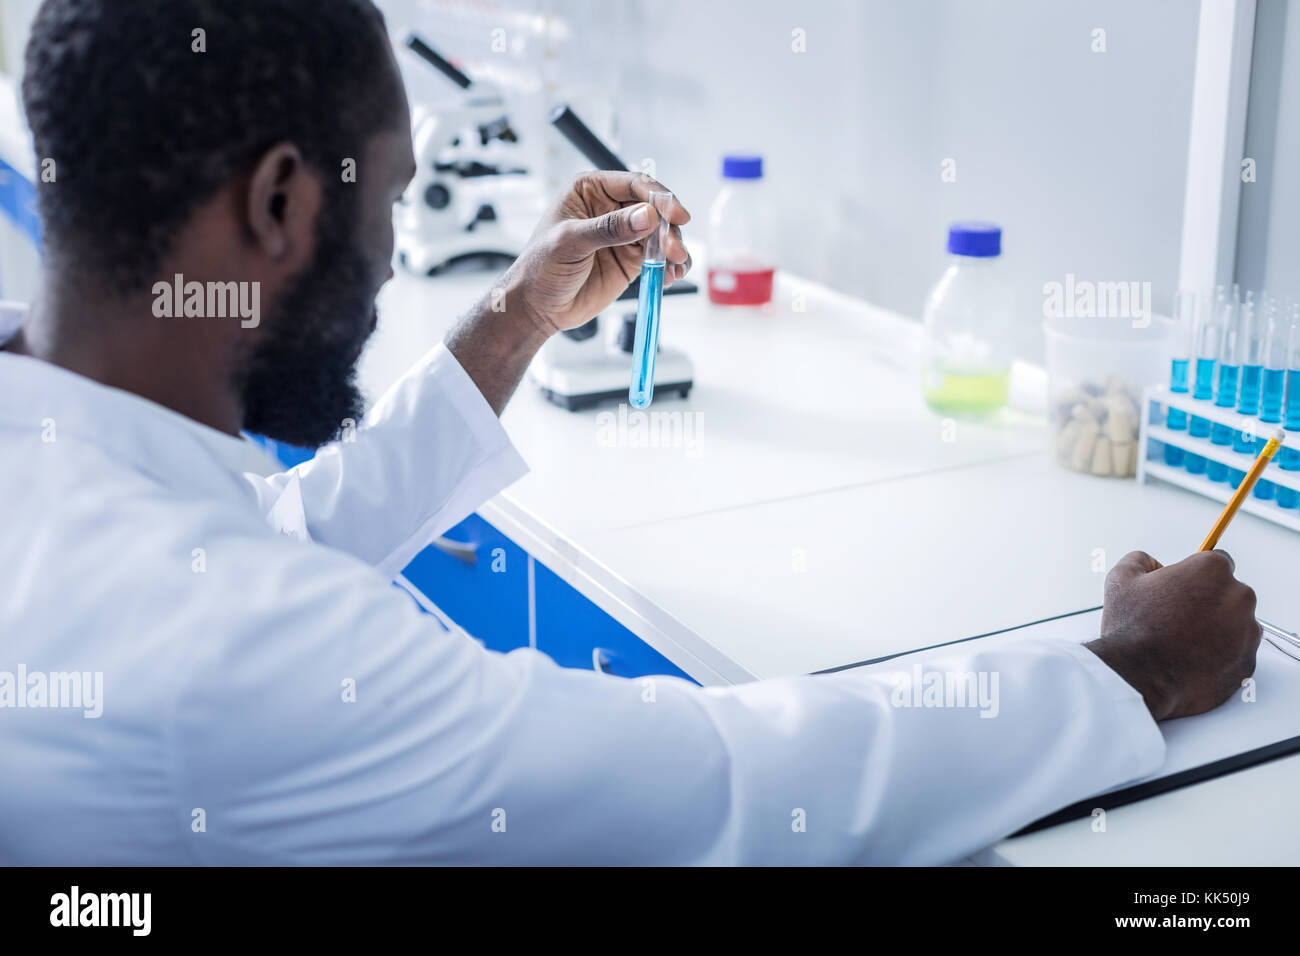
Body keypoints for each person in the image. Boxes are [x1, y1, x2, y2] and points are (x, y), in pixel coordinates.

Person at [0, 0, 1260, 865]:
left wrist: (510, 321)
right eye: (386, 197)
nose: (390, 259)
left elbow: (270, 544)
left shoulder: (64, 457)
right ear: (278, 201)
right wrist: (1126, 671)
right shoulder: (219, 657)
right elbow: (726, 784)